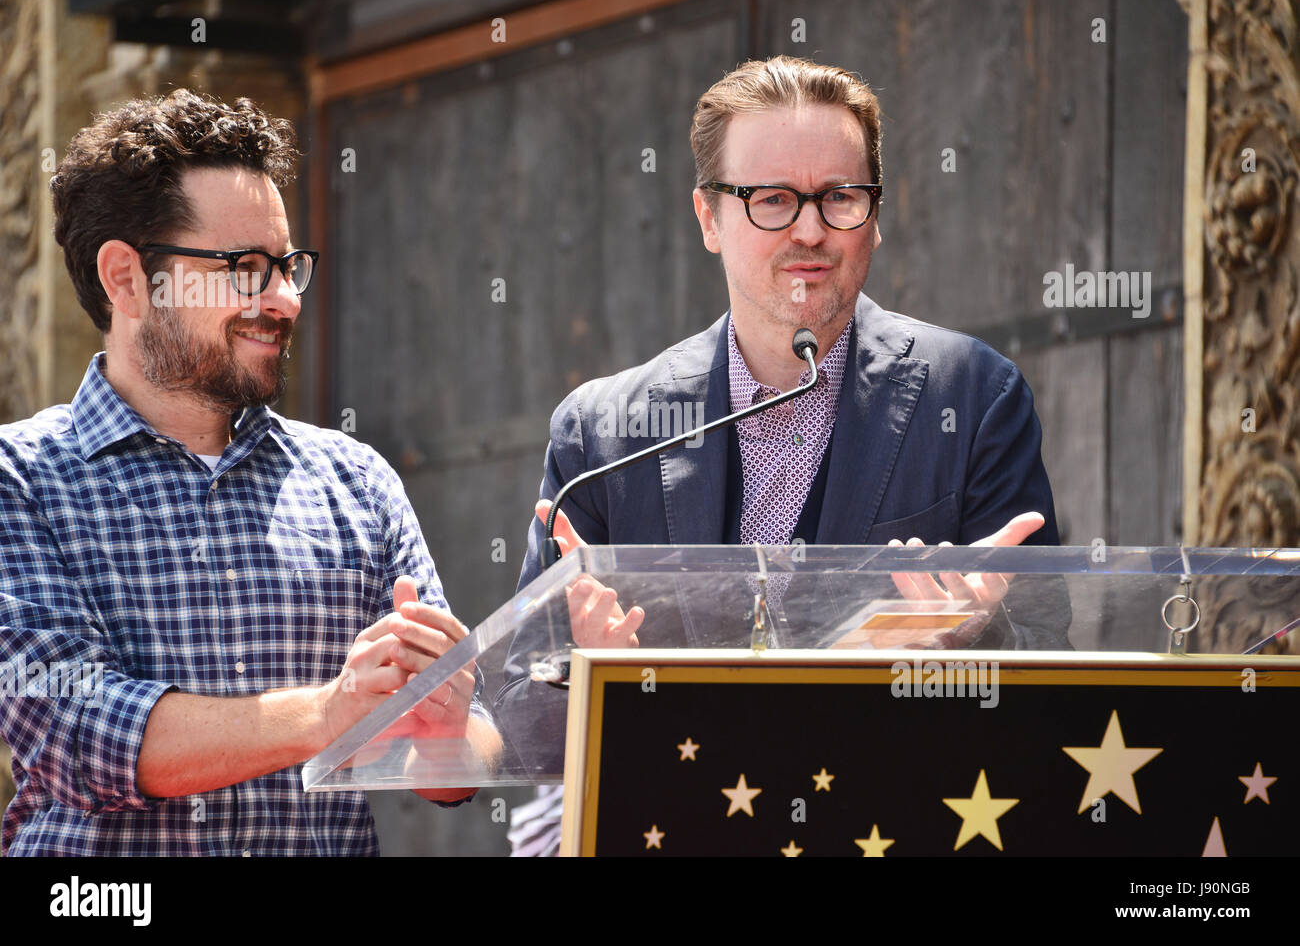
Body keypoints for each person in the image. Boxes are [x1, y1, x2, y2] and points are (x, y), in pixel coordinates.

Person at [504, 56, 1066, 854]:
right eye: (771, 199)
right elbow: (520, 723)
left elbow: (1058, 672)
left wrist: (975, 637)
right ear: (707, 217)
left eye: (839, 197)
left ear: (875, 214)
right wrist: (587, 673)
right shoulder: (602, 436)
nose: (810, 229)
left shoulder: (974, 398)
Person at [0, 89, 497, 856]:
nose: (286, 299)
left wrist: (449, 725)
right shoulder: (22, 479)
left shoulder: (354, 482)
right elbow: (74, 731)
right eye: (245, 268)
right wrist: (331, 711)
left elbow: (452, 766)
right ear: (127, 279)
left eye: (288, 266)